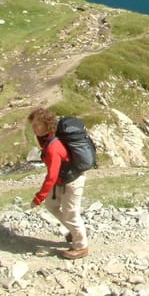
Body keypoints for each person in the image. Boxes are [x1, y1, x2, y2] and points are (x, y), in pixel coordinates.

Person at [28, 107, 89, 259]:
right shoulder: (47, 140)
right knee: (52, 206)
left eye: (37, 125)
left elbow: (51, 176)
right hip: (64, 180)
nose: (33, 128)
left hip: (72, 181)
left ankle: (81, 247)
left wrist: (38, 197)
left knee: (70, 214)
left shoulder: (53, 146)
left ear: (46, 125)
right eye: (33, 125)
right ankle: (76, 231)